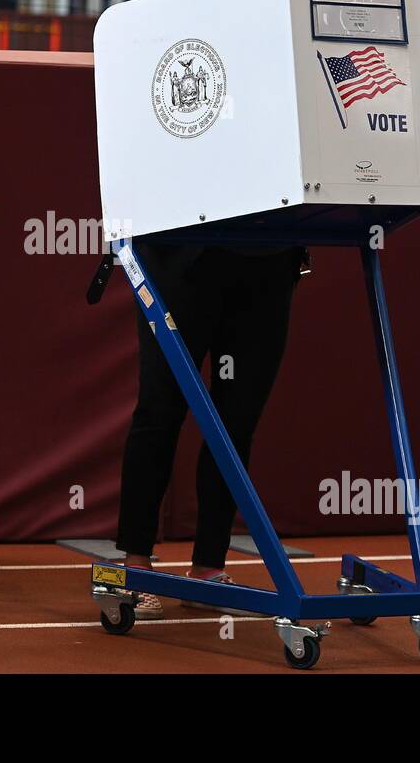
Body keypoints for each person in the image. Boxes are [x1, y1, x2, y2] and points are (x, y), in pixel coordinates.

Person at [115, 241, 305, 618]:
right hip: (182, 253)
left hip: (270, 259)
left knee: (237, 422)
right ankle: (135, 563)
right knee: (160, 410)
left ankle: (208, 567)